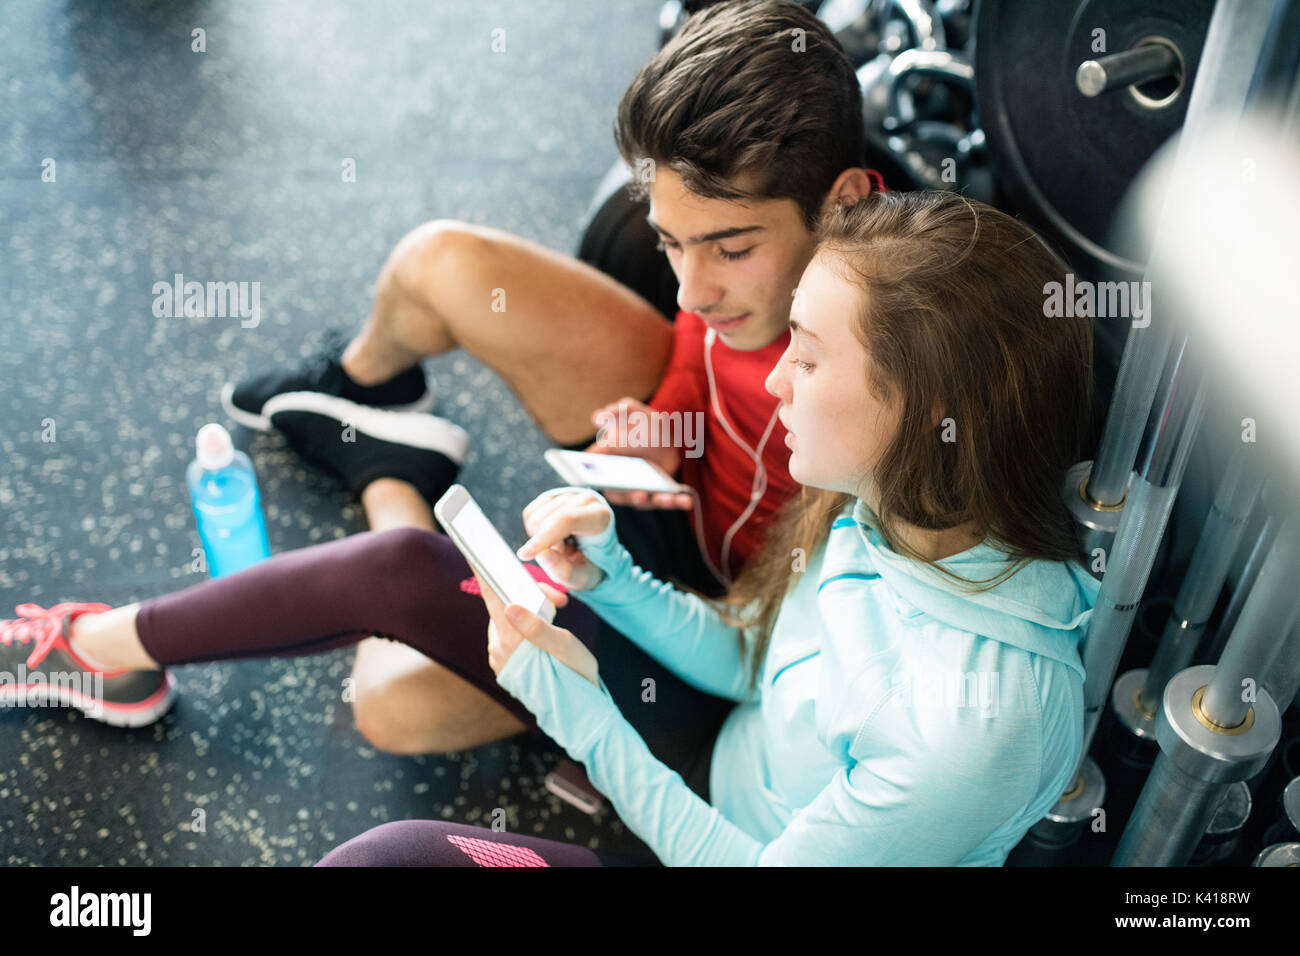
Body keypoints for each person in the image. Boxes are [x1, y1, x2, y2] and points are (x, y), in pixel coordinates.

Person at [1, 0, 881, 771]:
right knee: (442, 263)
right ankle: (369, 398)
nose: (690, 288)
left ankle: (387, 478)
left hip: (712, 669)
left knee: (388, 696)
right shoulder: (739, 287)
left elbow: (798, 664)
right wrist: (659, 436)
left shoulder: (900, 386)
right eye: (670, 243)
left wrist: (617, 589)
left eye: (729, 248)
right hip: (662, 526)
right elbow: (695, 354)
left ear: (845, 200)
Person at [315, 189, 1101, 866]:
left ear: (931, 414)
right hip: (722, 753)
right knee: (399, 570)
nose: (774, 377)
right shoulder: (882, 505)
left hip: (719, 843)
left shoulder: (972, 732)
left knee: (381, 856)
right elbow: (748, 665)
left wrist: (585, 720)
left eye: (812, 359)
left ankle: (387, 474)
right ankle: (384, 475)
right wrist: (612, 576)